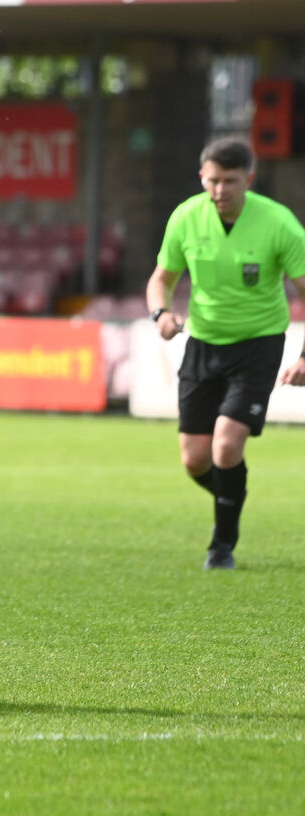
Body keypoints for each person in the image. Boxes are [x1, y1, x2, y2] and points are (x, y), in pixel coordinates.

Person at [146, 136, 305, 570]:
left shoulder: (279, 224)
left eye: (229, 182)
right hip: (203, 343)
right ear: (202, 177)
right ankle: (234, 495)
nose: (219, 191)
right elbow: (161, 278)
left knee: (226, 445)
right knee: (195, 460)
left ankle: (221, 546)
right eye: (212, 181)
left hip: (258, 345)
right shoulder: (185, 217)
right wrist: (160, 313)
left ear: (249, 180)